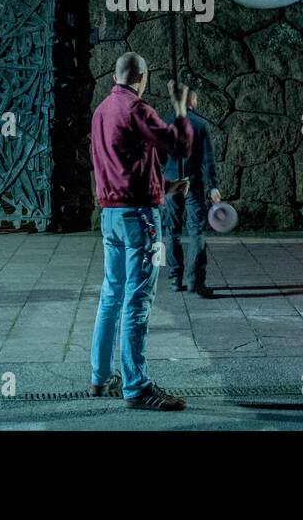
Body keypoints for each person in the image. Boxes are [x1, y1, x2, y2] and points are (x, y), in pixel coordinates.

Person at [89, 52, 193, 411]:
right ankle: (136, 386)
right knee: (138, 299)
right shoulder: (137, 109)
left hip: (112, 217)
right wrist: (180, 110)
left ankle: (101, 376)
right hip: (139, 219)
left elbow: (123, 165)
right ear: (142, 76)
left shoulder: (101, 111)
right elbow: (179, 145)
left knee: (111, 295)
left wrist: (163, 186)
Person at [162, 89, 221, 298]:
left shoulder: (164, 121)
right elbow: (208, 159)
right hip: (192, 182)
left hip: (171, 182)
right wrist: (214, 185)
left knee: (172, 231)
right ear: (192, 101)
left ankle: (174, 278)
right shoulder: (200, 124)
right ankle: (195, 280)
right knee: (196, 231)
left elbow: (157, 155)